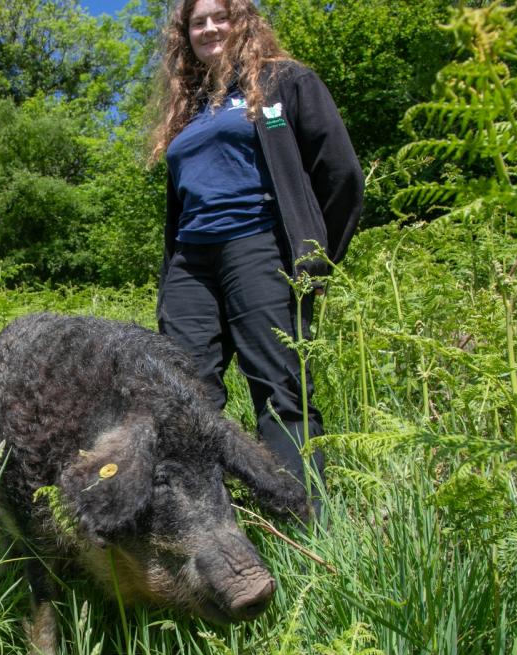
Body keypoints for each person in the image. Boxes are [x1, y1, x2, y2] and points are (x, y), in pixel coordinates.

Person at [150, 0, 364, 504]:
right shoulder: (189, 108)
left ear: (242, 21)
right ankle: (204, 530)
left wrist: (314, 255)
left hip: (259, 247)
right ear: (185, 35)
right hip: (191, 263)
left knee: (280, 388)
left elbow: (341, 175)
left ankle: (304, 525)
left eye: (219, 17)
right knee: (182, 397)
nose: (209, 28)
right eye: (197, 22)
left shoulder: (284, 81)